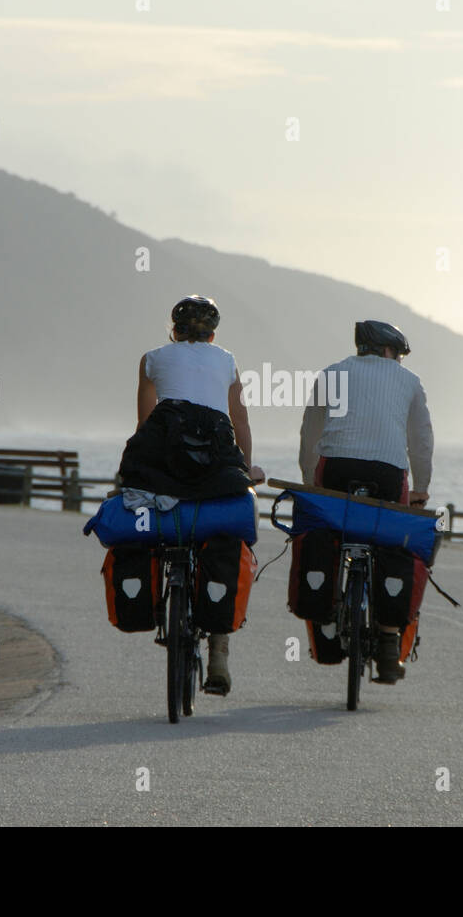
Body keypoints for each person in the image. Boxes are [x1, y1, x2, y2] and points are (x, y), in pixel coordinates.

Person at [116, 295, 264, 696]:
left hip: (163, 455)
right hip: (215, 458)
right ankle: (219, 647)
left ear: (174, 330)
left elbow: (145, 422)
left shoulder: (152, 358)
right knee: (221, 534)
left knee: (161, 514)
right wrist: (247, 469)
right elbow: (240, 420)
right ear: (213, 334)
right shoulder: (227, 360)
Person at [298, 319, 433, 683]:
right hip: (389, 474)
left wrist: (310, 478)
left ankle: (326, 619)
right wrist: (421, 487)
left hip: (336, 468)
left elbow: (311, 430)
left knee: (329, 530)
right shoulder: (409, 381)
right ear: (389, 351)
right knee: (392, 538)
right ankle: (389, 644)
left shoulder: (332, 373)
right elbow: (420, 441)